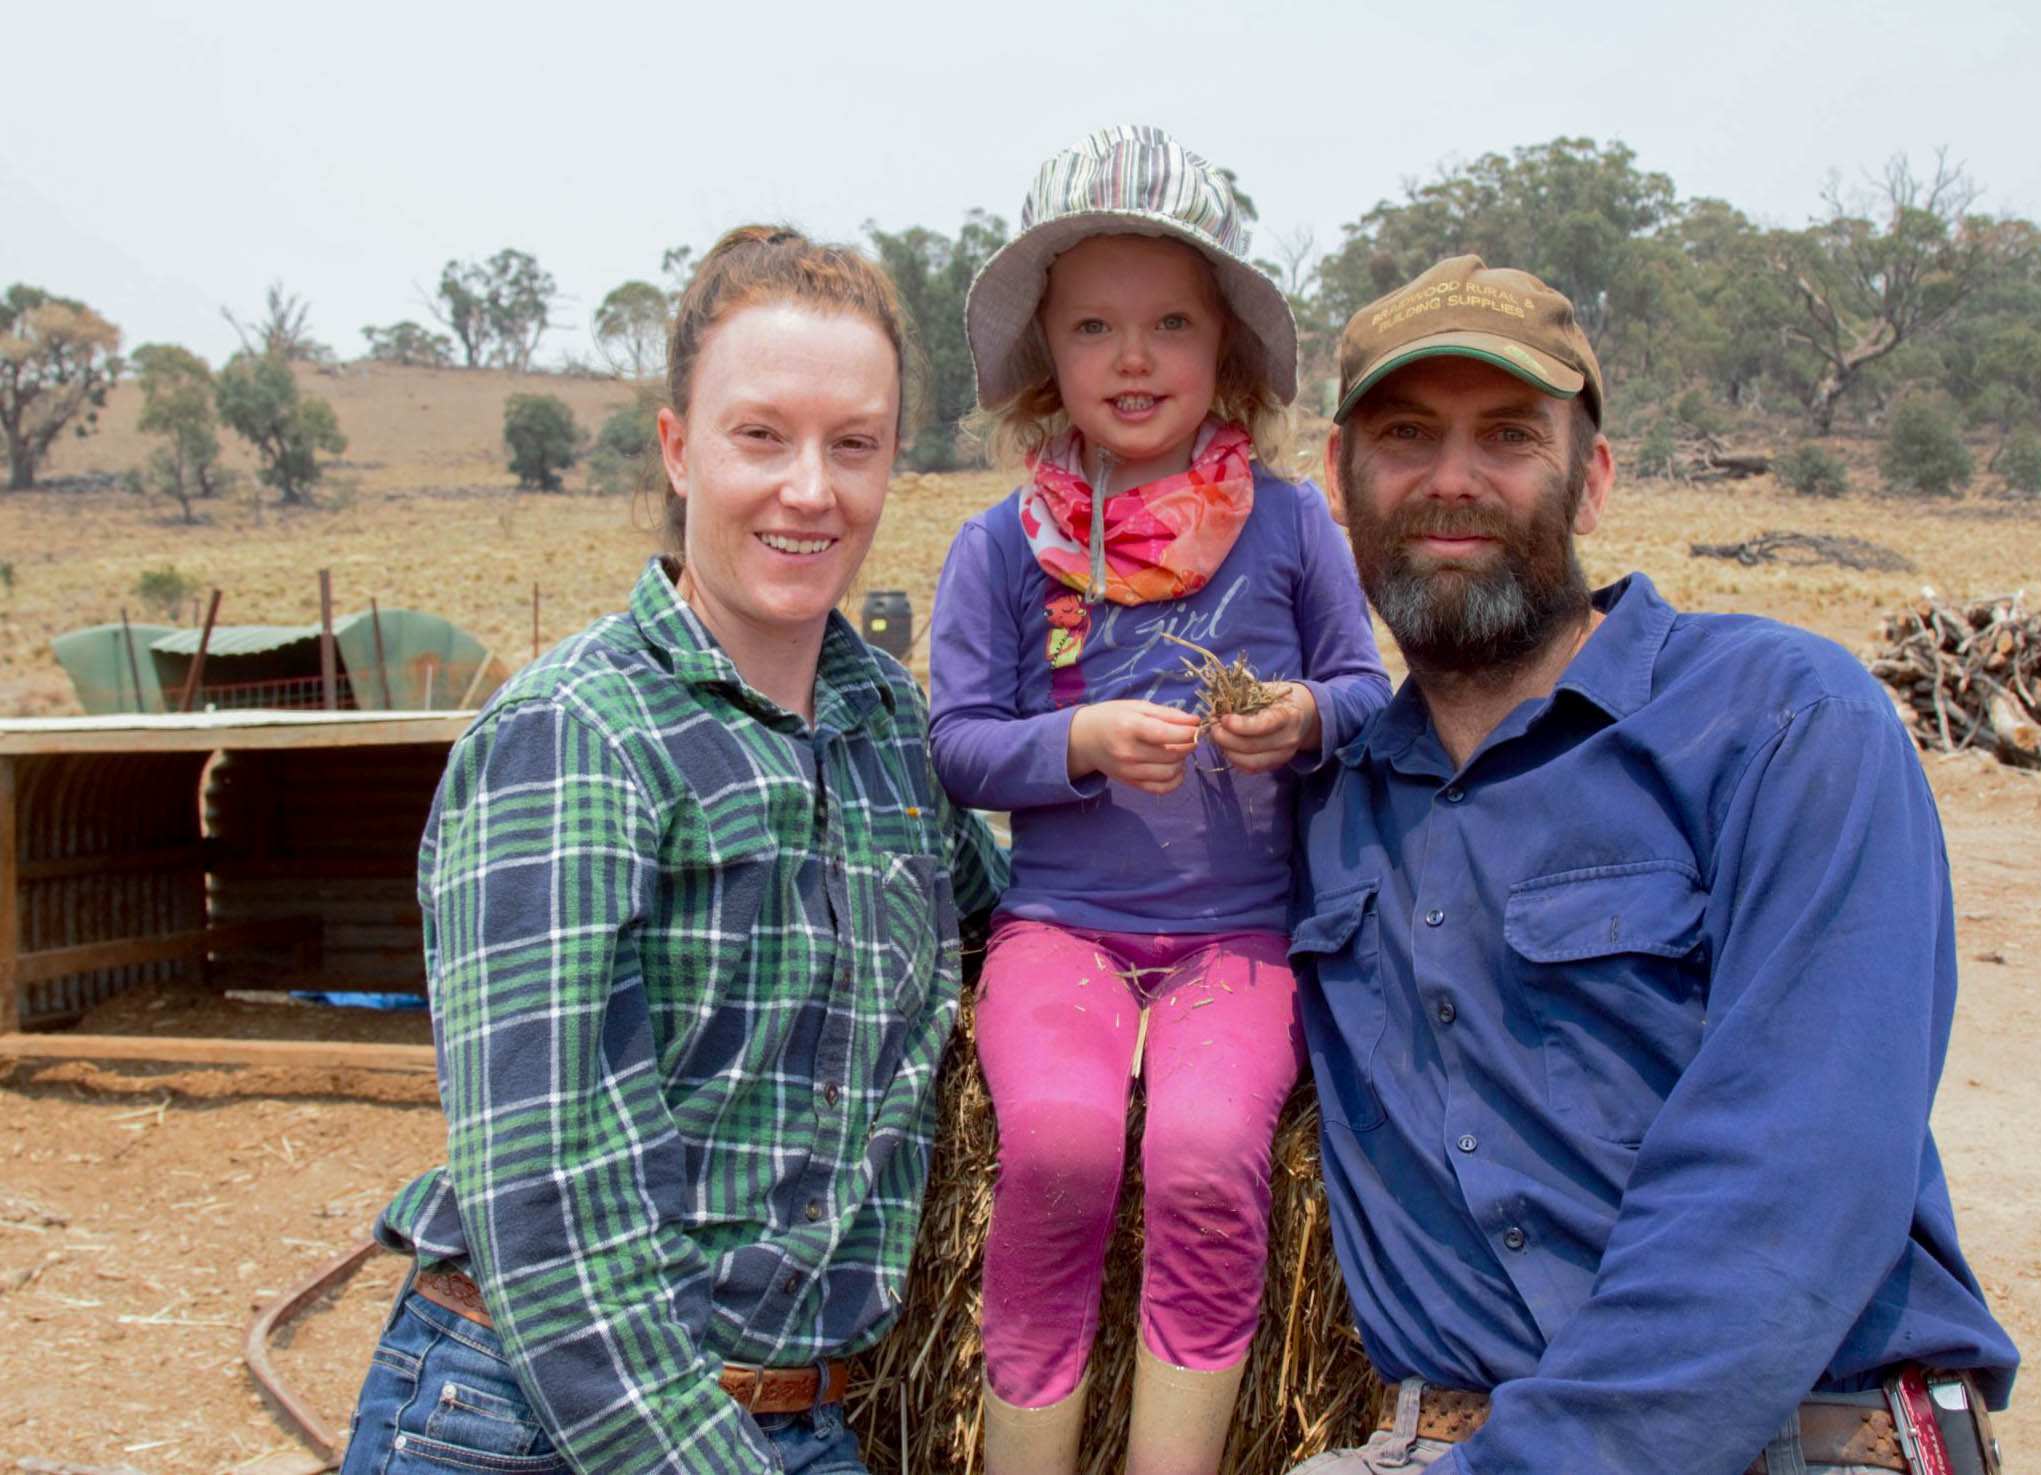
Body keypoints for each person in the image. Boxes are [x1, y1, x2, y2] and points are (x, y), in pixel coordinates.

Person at [1285, 256, 2018, 1475]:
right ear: (1336, 482)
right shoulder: (1321, 796)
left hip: (1802, 1436)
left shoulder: (1781, 721)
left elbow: (1790, 1178)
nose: (1452, 479)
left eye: (1508, 436)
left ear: (1593, 478)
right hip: (1424, 1439)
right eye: (1406, 436)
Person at [339, 226, 1006, 1475]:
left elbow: (1016, 928)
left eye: (852, 444)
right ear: (676, 449)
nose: (811, 488)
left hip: (800, 1415)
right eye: (762, 435)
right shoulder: (575, 735)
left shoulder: (891, 734)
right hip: (539, 1412)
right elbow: (547, 1198)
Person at [929, 125, 1390, 1475]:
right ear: (1047, 360)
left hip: (1238, 939)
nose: (1132, 358)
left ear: (1226, 351)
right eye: (1093, 327)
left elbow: (1368, 694)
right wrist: (1072, 740)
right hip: (1061, 928)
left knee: (1201, 1154)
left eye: (1170, 322)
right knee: (1062, 1150)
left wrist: (1302, 717)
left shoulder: (1292, 526)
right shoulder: (997, 549)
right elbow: (957, 745)